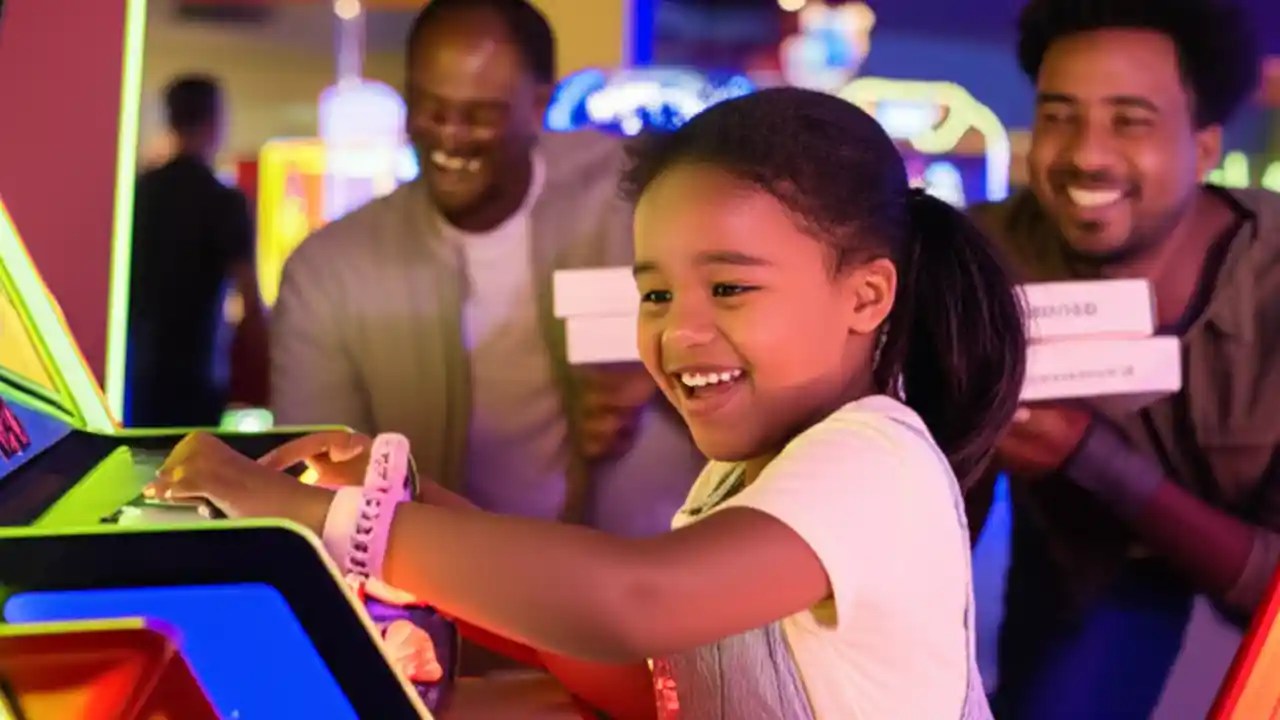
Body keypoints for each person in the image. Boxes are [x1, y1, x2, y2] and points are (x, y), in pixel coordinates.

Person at [148, 87, 1026, 719]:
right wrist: (412, 514)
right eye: (655, 296)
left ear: (865, 296)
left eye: (728, 289)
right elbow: (658, 683)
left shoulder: (871, 455)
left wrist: (310, 513)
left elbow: (631, 602)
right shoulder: (745, 474)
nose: (680, 333)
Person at [269, 0, 700, 538]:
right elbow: (310, 481)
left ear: (539, 104)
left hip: (635, 571)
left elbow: (763, 348)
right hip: (435, 590)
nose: (450, 135)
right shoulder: (330, 272)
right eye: (430, 108)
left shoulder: (635, 202)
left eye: (480, 115)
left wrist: (665, 375)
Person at [966, 0, 1280, 717]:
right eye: (1059, 115)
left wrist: (1089, 454)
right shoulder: (985, 257)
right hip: (1084, 557)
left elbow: (1270, 588)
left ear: (1203, 147)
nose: (1086, 154)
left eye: (1130, 120)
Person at [127, 75, 264, 428]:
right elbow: (248, 296)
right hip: (199, 372)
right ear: (214, 122)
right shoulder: (223, 201)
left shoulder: (139, 193)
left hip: (136, 370)